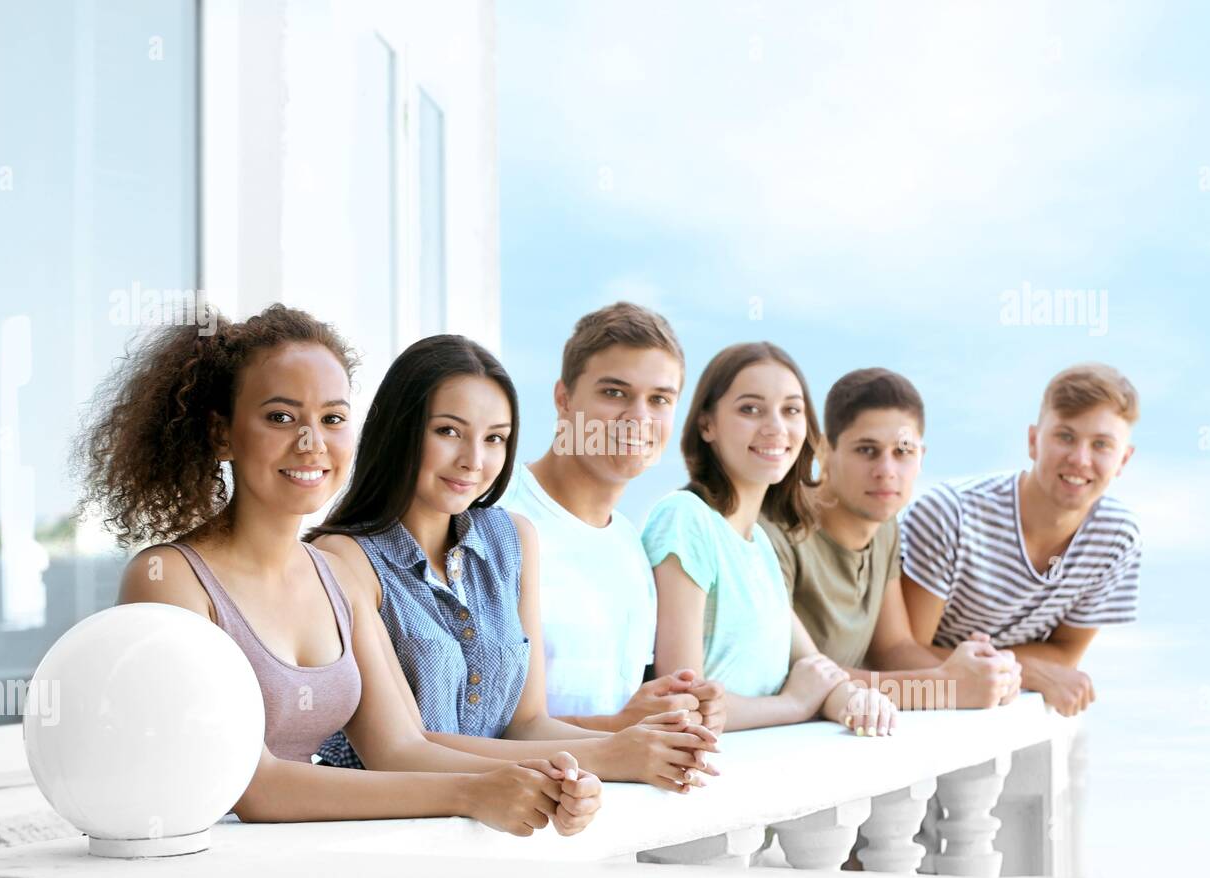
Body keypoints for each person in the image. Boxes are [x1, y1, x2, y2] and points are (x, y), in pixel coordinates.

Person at [77, 303, 599, 835]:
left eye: (332, 419)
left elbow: (401, 749)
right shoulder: (169, 579)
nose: (312, 443)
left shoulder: (335, 574)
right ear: (221, 434)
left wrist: (542, 779)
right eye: (281, 417)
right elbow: (254, 787)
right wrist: (472, 792)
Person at [309, 333, 720, 793]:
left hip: (509, 818)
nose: (474, 460)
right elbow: (398, 752)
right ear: (401, 429)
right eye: (448, 431)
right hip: (391, 833)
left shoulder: (513, 539)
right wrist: (609, 753)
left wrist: (644, 742)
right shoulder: (343, 560)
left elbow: (526, 724)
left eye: (495, 439)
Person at [644, 342, 898, 736]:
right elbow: (685, 703)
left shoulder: (759, 544)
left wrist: (858, 701)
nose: (775, 427)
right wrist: (793, 704)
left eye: (791, 410)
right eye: (750, 409)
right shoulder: (684, 519)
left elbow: (815, 670)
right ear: (707, 424)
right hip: (700, 782)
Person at [498, 302, 726, 734]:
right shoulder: (497, 515)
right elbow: (467, 726)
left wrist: (685, 708)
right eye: (614, 393)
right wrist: (617, 728)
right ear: (563, 399)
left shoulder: (629, 544)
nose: (638, 418)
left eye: (659, 399)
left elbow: (630, 706)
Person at [760, 368, 1021, 710]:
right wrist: (942, 687)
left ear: (921, 458)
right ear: (824, 452)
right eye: (867, 450)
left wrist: (985, 674)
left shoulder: (884, 526)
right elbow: (790, 678)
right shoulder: (774, 531)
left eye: (902, 452)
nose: (886, 470)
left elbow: (893, 648)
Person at [901, 363, 1142, 717]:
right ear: (1033, 441)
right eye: (1065, 436)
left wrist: (1002, 670)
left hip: (993, 709)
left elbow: (1065, 655)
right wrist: (1031, 671)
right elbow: (904, 654)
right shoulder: (950, 514)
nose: (1080, 459)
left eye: (1102, 444)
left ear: (1123, 459)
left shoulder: (1116, 537)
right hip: (914, 711)